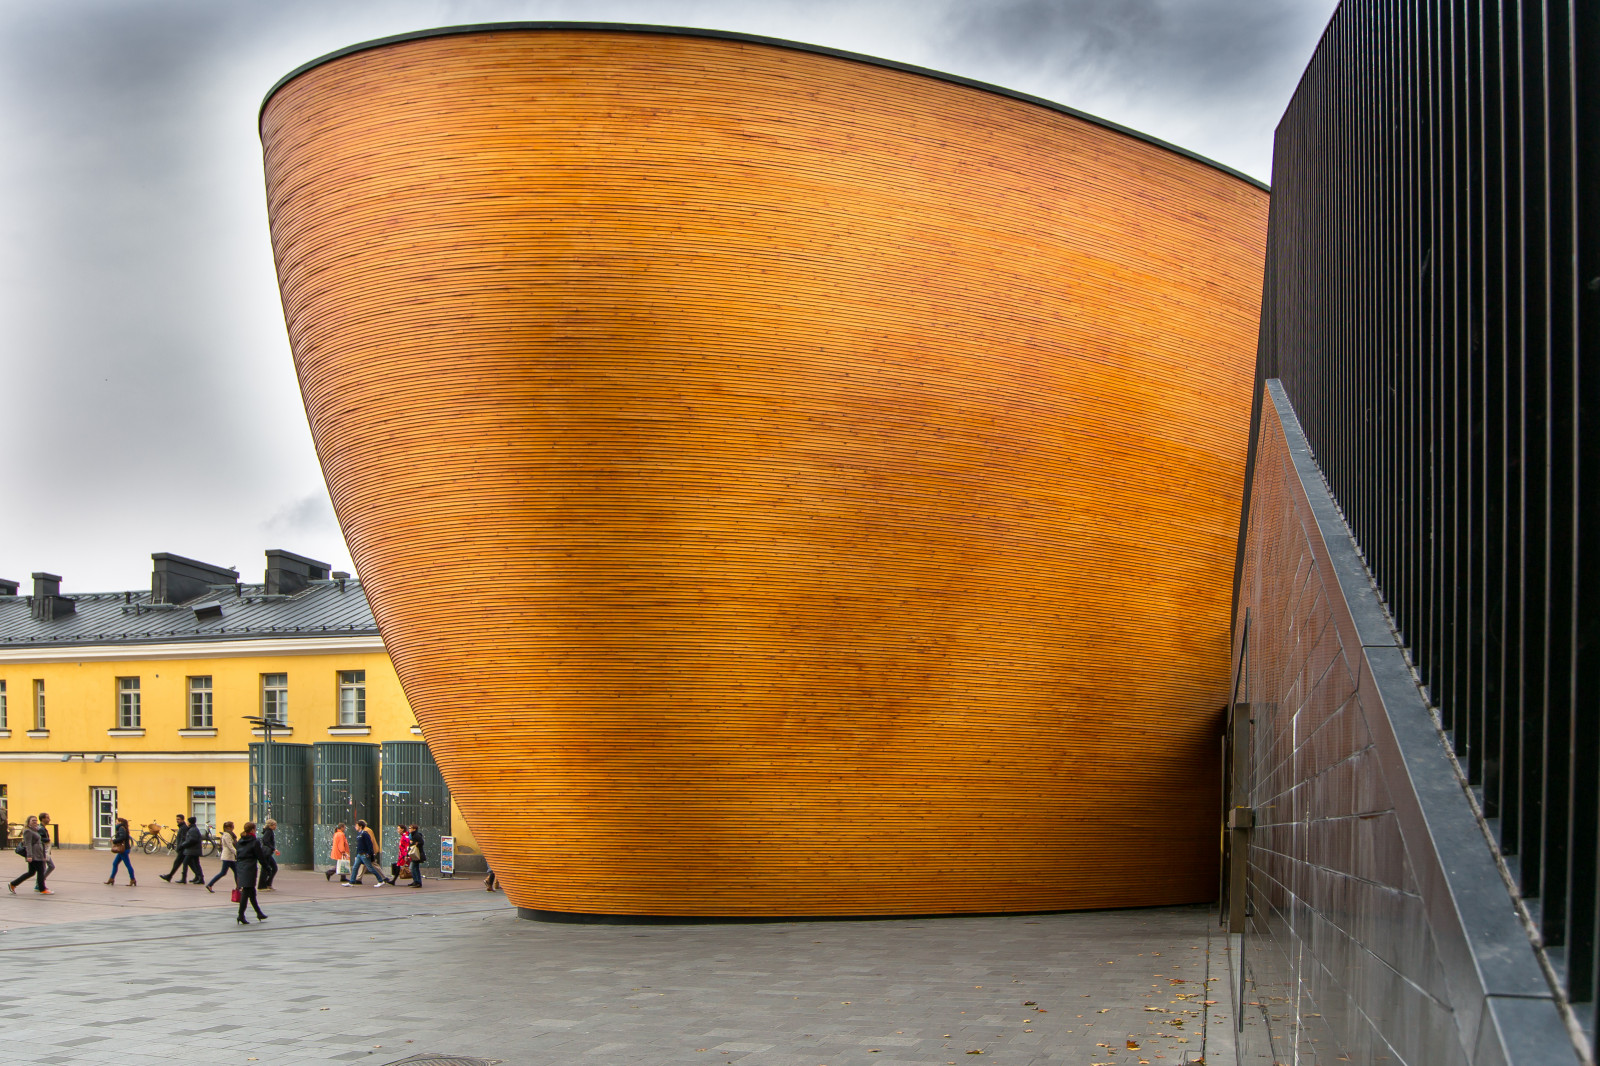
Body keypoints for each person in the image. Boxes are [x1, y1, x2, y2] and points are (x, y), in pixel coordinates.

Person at [232, 821, 268, 924]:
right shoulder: (254, 841)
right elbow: (259, 855)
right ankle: (240, 915)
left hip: (240, 866)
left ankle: (259, 913)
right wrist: (266, 867)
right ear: (252, 830)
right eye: (255, 829)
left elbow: (238, 854)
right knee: (246, 892)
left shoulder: (240, 841)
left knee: (251, 892)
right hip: (250, 867)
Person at [8, 815, 50, 894]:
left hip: (38, 854)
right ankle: (42, 889)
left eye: (36, 820)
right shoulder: (28, 831)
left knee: (31, 872)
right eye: (33, 821)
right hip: (34, 855)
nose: (35, 822)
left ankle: (13, 884)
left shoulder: (35, 830)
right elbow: (28, 844)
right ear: (29, 822)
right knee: (41, 871)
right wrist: (29, 856)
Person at [347, 819, 390, 886]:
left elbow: (370, 843)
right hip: (360, 854)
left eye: (356, 826)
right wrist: (357, 854)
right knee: (355, 867)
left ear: (360, 826)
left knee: (371, 867)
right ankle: (352, 881)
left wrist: (369, 853)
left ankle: (381, 880)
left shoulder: (365, 832)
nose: (355, 827)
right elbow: (359, 845)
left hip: (365, 854)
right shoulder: (359, 833)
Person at [206, 821, 238, 893]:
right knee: (223, 872)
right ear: (228, 828)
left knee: (236, 872)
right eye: (232, 826)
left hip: (230, 857)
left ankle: (238, 887)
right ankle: (210, 884)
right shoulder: (227, 836)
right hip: (227, 857)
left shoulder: (229, 835)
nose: (233, 828)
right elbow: (230, 846)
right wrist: (237, 853)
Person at [106, 816, 136, 886]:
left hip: (123, 850)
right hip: (124, 849)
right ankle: (111, 879)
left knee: (128, 865)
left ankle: (133, 879)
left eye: (116, 821)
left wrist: (114, 840)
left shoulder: (121, 828)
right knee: (115, 863)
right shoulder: (123, 828)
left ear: (120, 822)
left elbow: (122, 837)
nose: (116, 823)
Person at [258, 819, 279, 890]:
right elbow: (265, 840)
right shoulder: (269, 831)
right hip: (267, 853)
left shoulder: (267, 831)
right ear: (271, 825)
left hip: (266, 853)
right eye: (274, 825)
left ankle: (267, 884)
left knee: (269, 868)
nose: (275, 826)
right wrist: (273, 848)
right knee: (270, 868)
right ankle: (263, 885)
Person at [37, 812, 55, 889]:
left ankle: (40, 882)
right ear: (43, 819)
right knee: (49, 866)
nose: (49, 819)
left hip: (45, 851)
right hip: (43, 851)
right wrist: (47, 839)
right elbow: (39, 839)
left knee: (47, 867)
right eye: (47, 818)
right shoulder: (41, 828)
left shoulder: (43, 828)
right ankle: (39, 883)